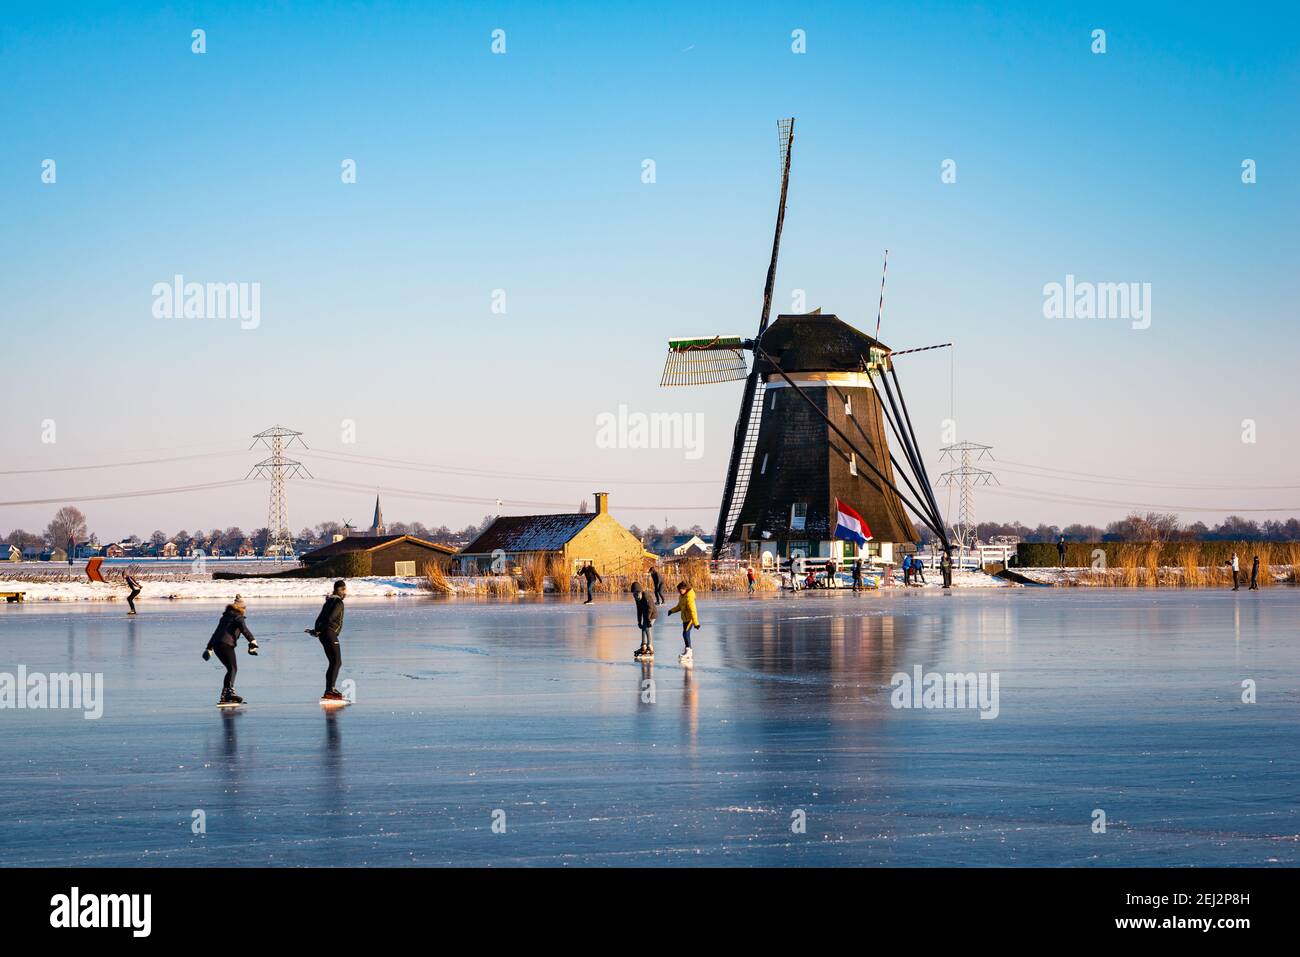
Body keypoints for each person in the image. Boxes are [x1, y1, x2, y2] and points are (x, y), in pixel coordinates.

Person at [203, 595, 258, 705]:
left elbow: (216, 632)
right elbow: (244, 630)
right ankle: (228, 694)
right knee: (232, 668)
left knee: (230, 668)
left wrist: (209, 647)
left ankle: (226, 694)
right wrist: (252, 641)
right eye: (244, 608)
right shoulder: (238, 617)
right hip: (226, 644)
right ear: (242, 608)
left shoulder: (225, 617)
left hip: (217, 645)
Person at [306, 580, 347, 701]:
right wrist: (321, 630)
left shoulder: (328, 601)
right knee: (337, 662)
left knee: (333, 662)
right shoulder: (338, 602)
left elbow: (320, 618)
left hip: (323, 634)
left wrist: (316, 630)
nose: (346, 592)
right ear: (340, 590)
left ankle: (329, 690)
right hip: (330, 634)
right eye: (344, 590)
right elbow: (329, 618)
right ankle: (330, 690)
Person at [666, 581, 699, 663]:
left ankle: (689, 652)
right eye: (678, 590)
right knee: (685, 634)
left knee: (685, 633)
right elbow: (679, 607)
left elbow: (693, 611)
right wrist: (672, 611)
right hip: (685, 619)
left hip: (690, 619)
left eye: (680, 590)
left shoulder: (689, 598)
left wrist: (696, 623)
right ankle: (687, 650)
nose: (679, 592)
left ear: (685, 589)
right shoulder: (682, 596)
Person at [631, 582, 656, 658]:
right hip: (646, 615)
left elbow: (650, 608)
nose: (636, 596)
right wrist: (639, 621)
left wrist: (648, 619)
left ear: (641, 592)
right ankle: (643, 646)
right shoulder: (637, 598)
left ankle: (650, 646)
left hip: (652, 614)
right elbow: (639, 611)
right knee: (643, 628)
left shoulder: (646, 596)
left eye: (637, 594)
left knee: (647, 628)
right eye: (634, 594)